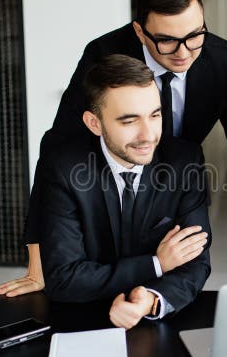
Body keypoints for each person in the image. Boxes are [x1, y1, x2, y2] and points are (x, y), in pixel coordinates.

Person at [0, 0, 227, 297]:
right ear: (141, 32)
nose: (184, 52)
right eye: (167, 40)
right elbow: (55, 146)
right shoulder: (103, 56)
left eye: (195, 35)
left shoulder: (223, 61)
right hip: (109, 181)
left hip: (179, 178)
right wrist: (37, 256)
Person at [36, 54, 211, 329]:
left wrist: (151, 300)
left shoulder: (184, 161)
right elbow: (63, 278)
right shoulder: (63, 167)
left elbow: (195, 262)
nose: (148, 135)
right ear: (94, 123)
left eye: (155, 115)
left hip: (157, 319)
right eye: (129, 121)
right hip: (82, 320)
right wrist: (156, 264)